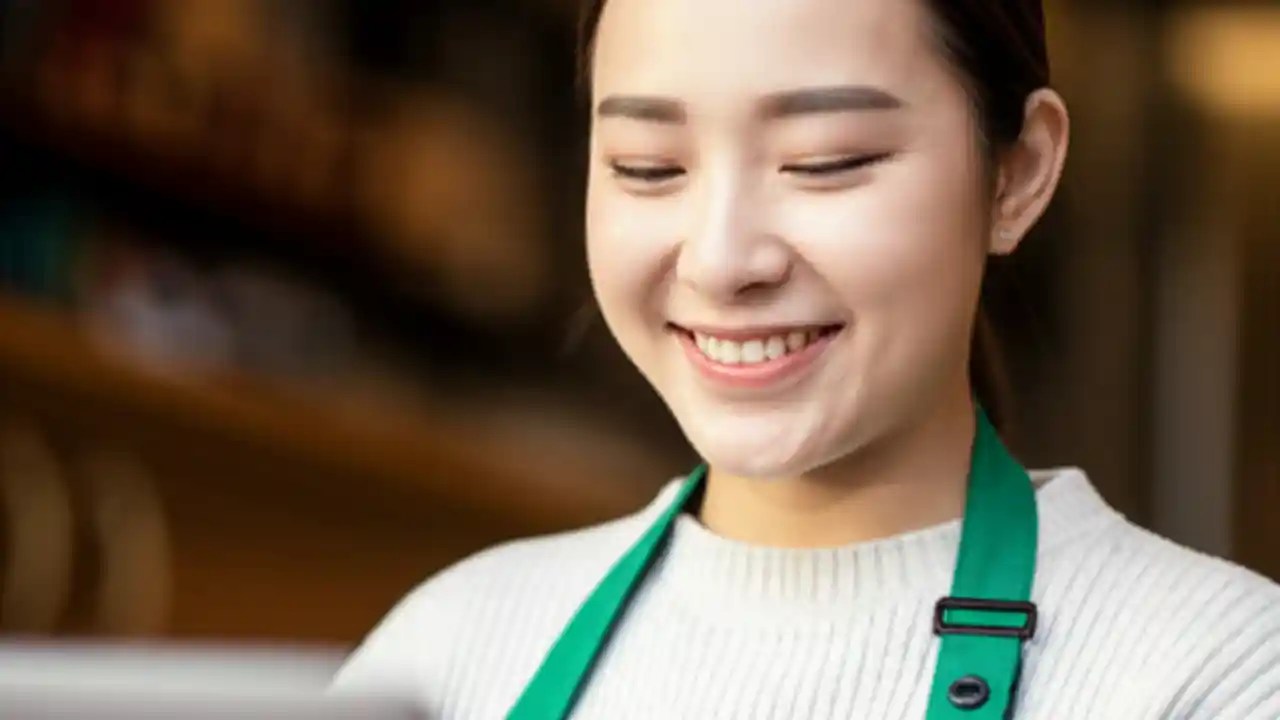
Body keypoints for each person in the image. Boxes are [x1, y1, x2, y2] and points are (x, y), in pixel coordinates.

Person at [330, 0, 1280, 717]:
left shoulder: (1212, 674)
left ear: (1019, 172)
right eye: (648, 166)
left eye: (825, 161)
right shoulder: (449, 653)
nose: (722, 260)